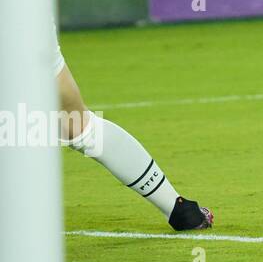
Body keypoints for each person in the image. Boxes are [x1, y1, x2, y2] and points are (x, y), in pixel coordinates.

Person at [52, 16, 212, 231]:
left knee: (60, 126)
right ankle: (178, 209)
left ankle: (179, 209)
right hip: (23, 15)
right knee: (79, 127)